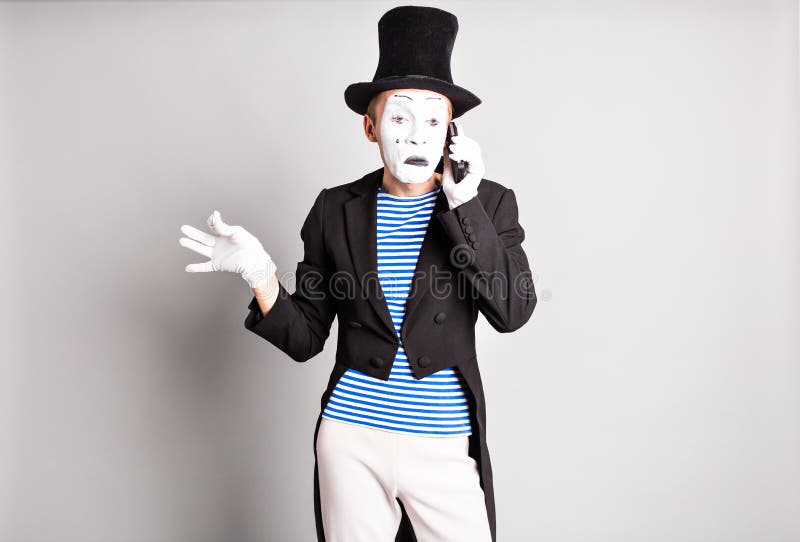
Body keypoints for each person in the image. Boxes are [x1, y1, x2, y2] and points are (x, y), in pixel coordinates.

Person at [179, 6, 536, 542]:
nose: (416, 137)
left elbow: (513, 311)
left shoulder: (488, 204)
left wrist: (464, 203)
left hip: (443, 442)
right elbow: (305, 338)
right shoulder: (334, 209)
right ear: (370, 128)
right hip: (351, 439)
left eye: (432, 121)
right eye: (399, 118)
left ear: (451, 133)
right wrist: (260, 274)